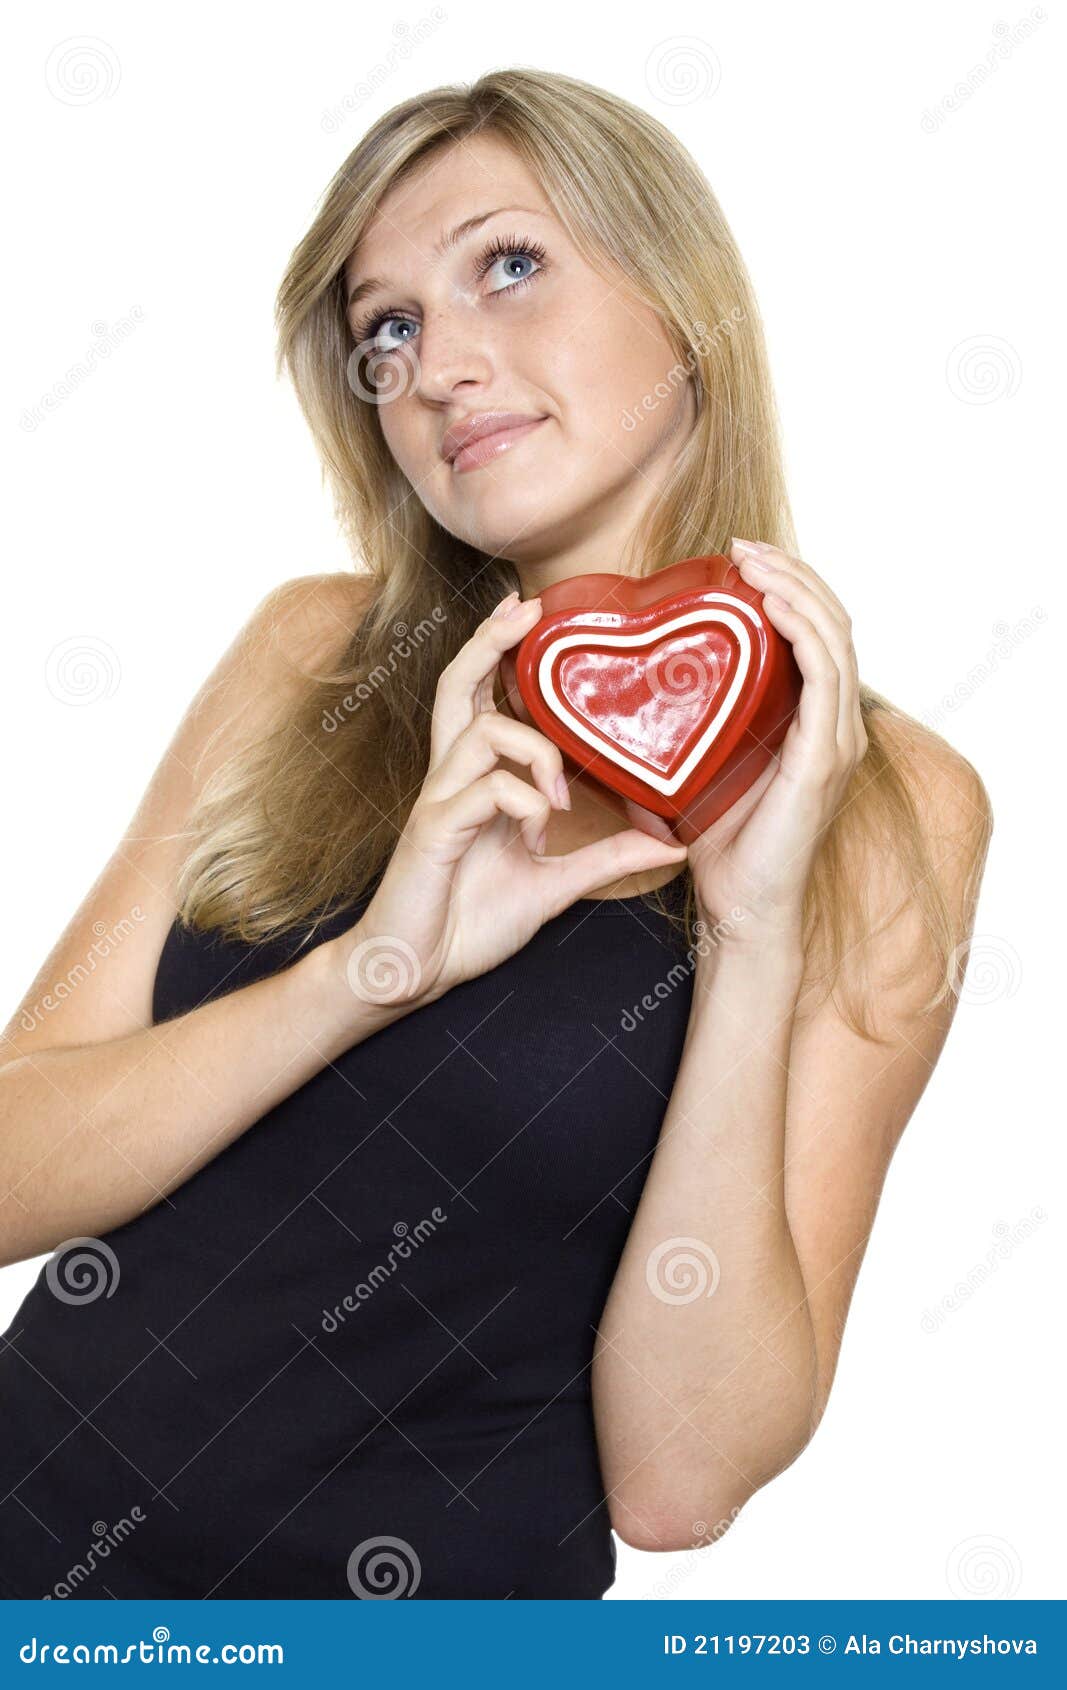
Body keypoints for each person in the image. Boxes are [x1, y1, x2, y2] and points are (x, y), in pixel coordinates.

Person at [0, 68, 992, 1600]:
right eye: (385, 331)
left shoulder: (888, 803)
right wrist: (367, 971)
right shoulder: (313, 656)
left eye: (506, 267)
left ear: (686, 307)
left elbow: (681, 1480)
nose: (435, 368)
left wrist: (749, 932)